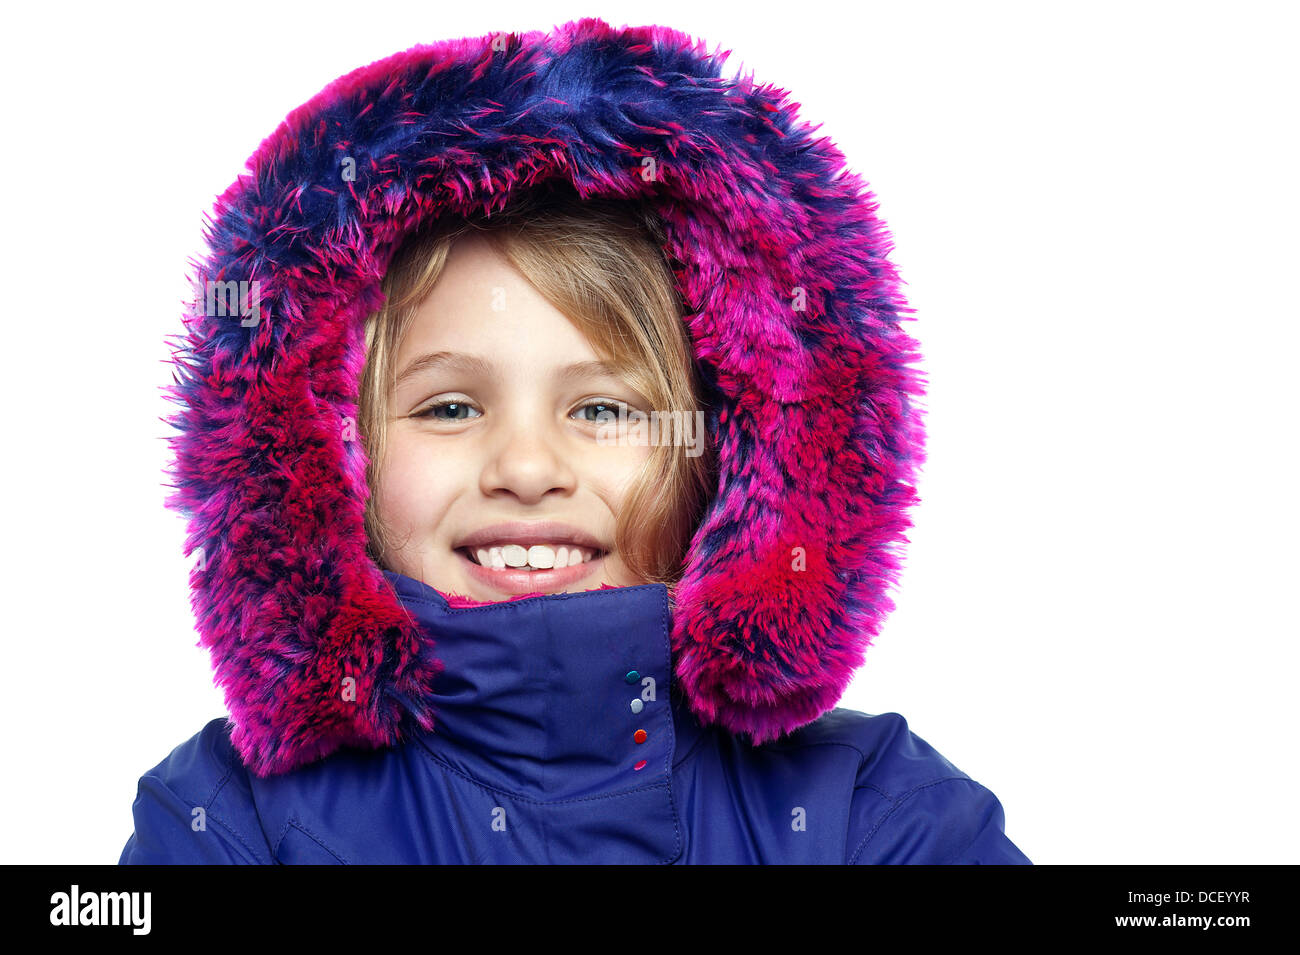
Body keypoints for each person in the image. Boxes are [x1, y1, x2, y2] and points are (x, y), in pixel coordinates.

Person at [119, 17, 1030, 864]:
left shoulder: (872, 815)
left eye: (602, 410)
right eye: (449, 408)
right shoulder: (235, 818)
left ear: (732, 460)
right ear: (326, 457)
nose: (525, 468)